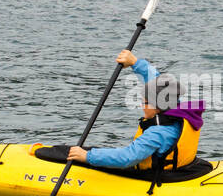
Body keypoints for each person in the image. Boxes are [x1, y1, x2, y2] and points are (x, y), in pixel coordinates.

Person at [68, 50, 204, 172]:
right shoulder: (173, 105)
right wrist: (135, 62)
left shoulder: (158, 133)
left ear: (156, 106)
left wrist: (87, 156)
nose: (141, 106)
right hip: (184, 165)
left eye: (144, 102)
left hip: (160, 176)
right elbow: (155, 80)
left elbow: (128, 157)